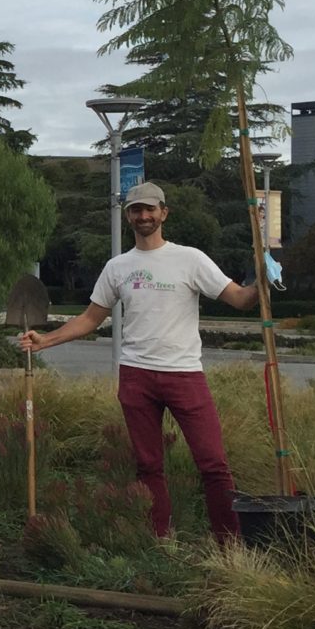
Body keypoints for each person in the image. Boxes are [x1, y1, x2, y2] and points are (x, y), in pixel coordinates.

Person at [20, 181, 259, 543]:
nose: (143, 216)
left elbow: (241, 300)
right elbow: (90, 318)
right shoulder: (118, 267)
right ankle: (158, 542)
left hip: (184, 375)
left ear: (164, 213)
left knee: (213, 464)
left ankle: (230, 545)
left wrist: (263, 279)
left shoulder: (190, 259)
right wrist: (45, 340)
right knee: (148, 467)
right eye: (136, 210)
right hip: (136, 377)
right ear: (127, 215)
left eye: (150, 209)